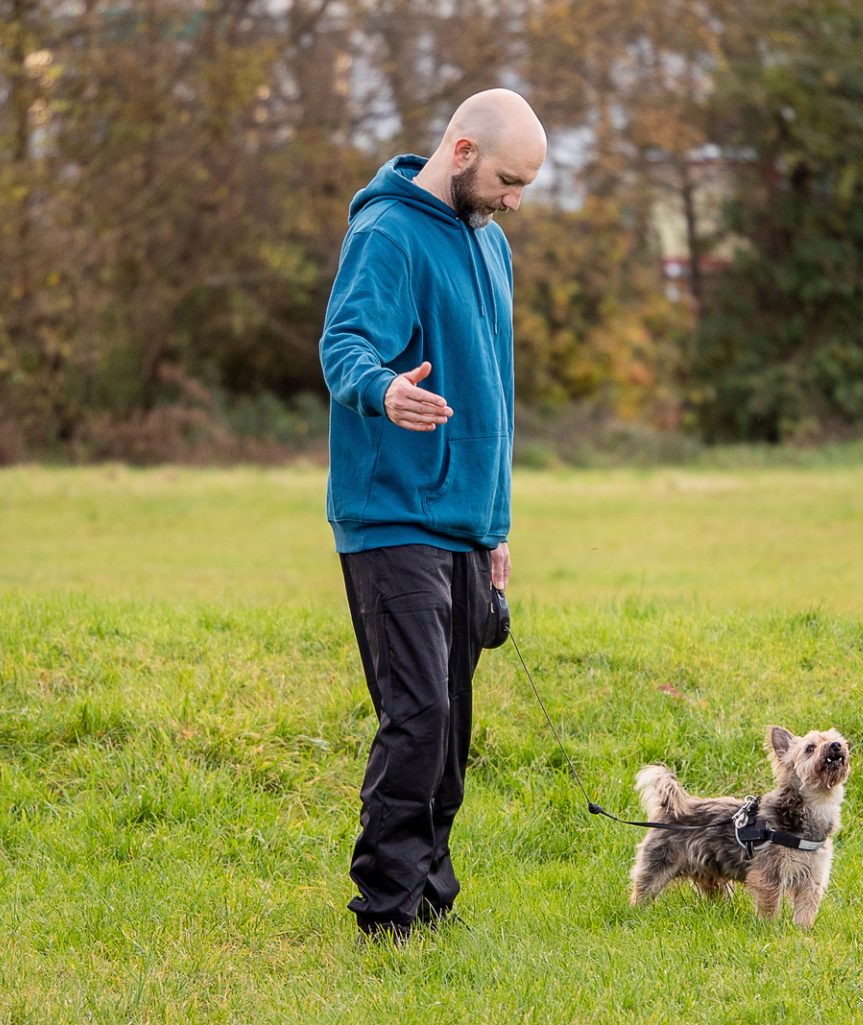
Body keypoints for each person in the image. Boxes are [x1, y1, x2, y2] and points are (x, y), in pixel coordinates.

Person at [317, 89, 546, 941]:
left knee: (451, 728)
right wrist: (382, 390)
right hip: (390, 514)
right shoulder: (386, 234)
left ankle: (429, 894)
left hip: (461, 520)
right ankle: (385, 911)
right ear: (460, 152)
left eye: (525, 185)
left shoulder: (493, 249)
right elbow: (343, 345)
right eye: (508, 179)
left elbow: (498, 397)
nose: (514, 200)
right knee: (418, 715)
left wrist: (495, 523)